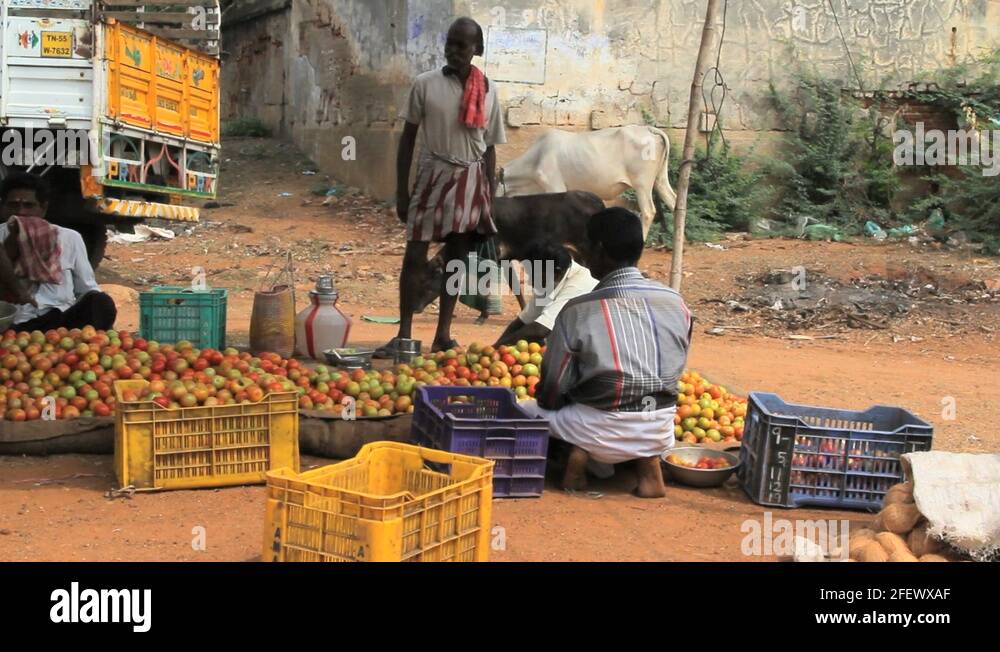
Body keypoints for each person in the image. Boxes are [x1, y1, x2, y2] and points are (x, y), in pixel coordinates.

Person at [521, 208, 693, 498]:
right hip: (660, 429)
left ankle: (581, 454)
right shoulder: (676, 302)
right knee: (628, 408)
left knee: (524, 408)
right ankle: (647, 466)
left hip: (597, 428)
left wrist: (559, 402)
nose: (584, 254)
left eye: (586, 246)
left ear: (599, 250)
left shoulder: (578, 310)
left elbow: (552, 387)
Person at [376, 16, 506, 358]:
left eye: (461, 45)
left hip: (471, 181)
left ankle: (443, 335)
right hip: (431, 177)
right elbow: (407, 140)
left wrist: (488, 196)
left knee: (456, 259)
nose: (453, 50)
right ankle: (404, 334)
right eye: (449, 43)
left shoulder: (490, 90)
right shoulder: (425, 84)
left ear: (477, 49)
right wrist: (402, 192)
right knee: (414, 256)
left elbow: (489, 148)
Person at [0, 172, 117, 331]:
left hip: (59, 323)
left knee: (100, 303)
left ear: (43, 209)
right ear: (3, 208)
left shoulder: (69, 238)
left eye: (29, 205)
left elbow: (87, 289)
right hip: (13, 325)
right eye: (13, 205)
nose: (21, 212)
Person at [494, 241, 597, 347]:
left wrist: (499, 347)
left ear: (556, 273)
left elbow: (540, 330)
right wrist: (495, 348)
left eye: (536, 276)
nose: (531, 282)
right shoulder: (549, 280)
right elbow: (522, 321)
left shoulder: (578, 285)